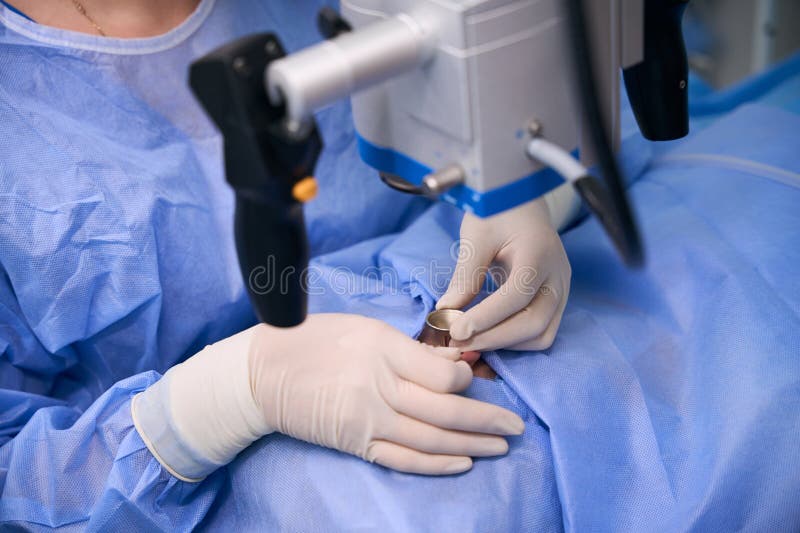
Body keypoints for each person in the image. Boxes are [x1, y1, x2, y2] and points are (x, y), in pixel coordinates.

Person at [0, 0, 573, 522]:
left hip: (561, 364)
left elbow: (570, 82)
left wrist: (529, 187)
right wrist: (217, 402)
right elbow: (16, 484)